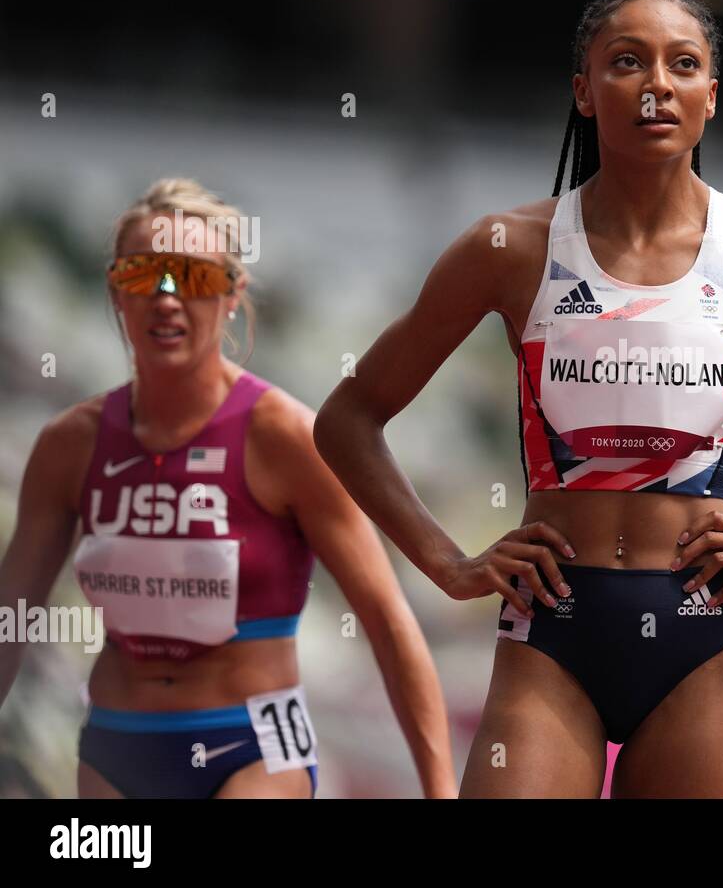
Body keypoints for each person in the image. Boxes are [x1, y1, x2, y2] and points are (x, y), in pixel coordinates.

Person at [314, 0, 723, 798]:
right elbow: (348, 418)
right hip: (552, 629)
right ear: (585, 91)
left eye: (682, 64)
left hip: (700, 642)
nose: (657, 83)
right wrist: (448, 564)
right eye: (628, 61)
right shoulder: (508, 248)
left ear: (710, 97)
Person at [0, 178, 459, 798]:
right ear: (115, 291)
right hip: (116, 746)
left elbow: (387, 622)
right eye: (144, 275)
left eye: (193, 276)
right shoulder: (69, 445)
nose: (167, 298)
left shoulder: (286, 437)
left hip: (253, 749)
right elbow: (13, 618)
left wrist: (440, 789)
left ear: (232, 295)